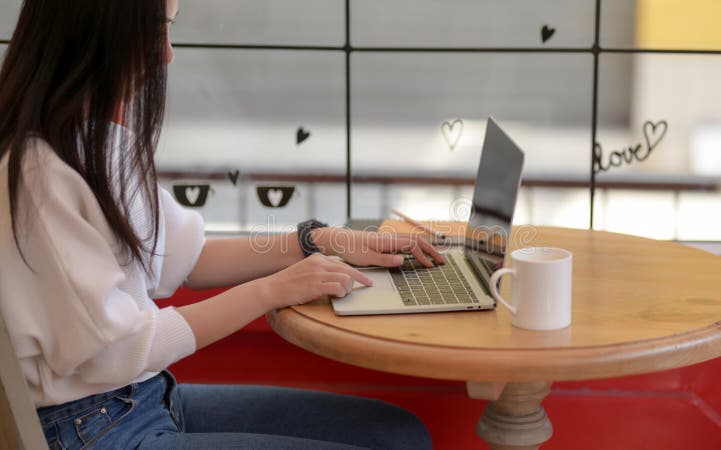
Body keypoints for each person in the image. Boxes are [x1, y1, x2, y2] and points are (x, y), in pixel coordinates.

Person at [0, 0, 443, 448]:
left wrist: (315, 241)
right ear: (97, 29)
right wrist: (273, 289)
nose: (167, 54)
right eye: (157, 31)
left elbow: (189, 259)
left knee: (399, 436)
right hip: (89, 429)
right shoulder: (40, 174)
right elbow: (115, 352)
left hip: (144, 397)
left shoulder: (98, 140)